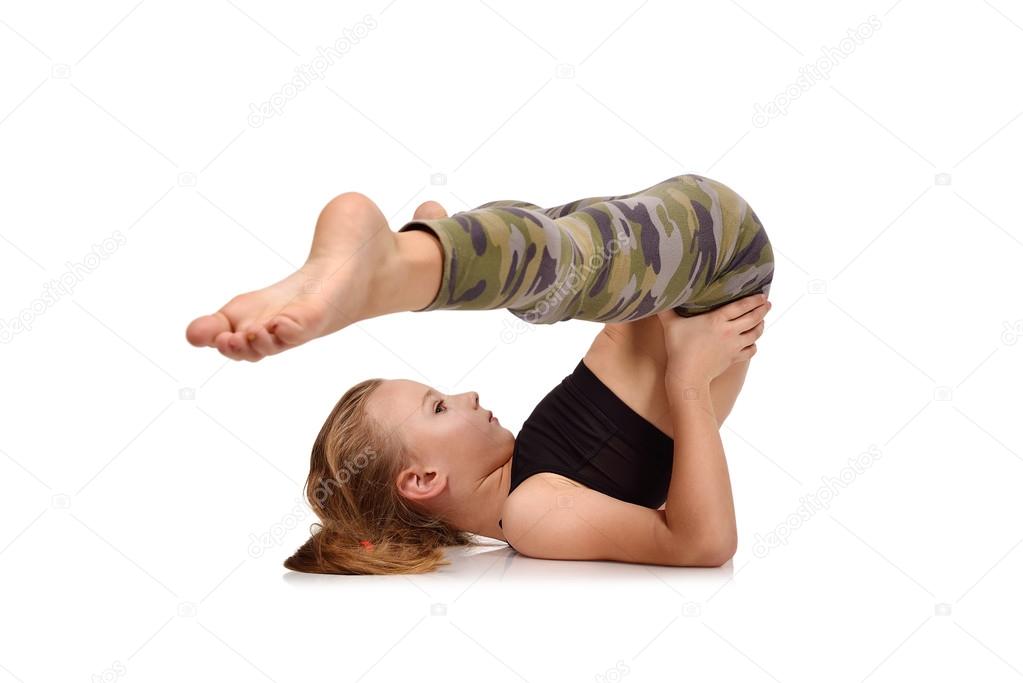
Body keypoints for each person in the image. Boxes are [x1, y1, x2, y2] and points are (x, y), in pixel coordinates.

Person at [185, 173, 775, 574]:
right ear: (423, 478)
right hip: (717, 261)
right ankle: (414, 268)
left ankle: (426, 254)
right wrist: (689, 381)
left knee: (556, 248)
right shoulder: (531, 514)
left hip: (677, 275)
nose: (466, 394)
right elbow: (701, 544)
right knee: (560, 263)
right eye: (438, 407)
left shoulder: (530, 474)